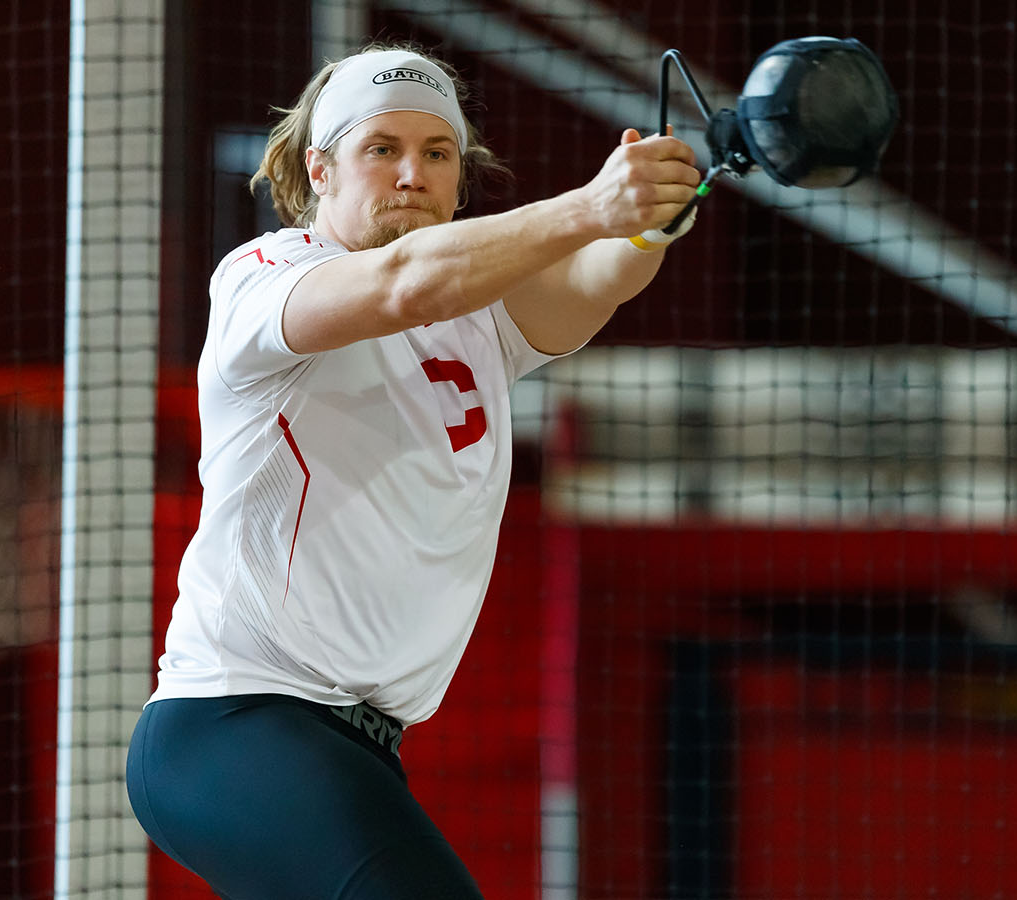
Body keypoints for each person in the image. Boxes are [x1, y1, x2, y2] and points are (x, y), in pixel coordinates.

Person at [126, 43, 701, 899]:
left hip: (354, 745)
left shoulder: (479, 315)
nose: (411, 174)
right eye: (381, 149)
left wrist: (650, 216)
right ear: (319, 170)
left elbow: (598, 278)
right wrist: (591, 204)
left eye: (436, 153)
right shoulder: (265, 278)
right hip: (234, 723)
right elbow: (403, 283)